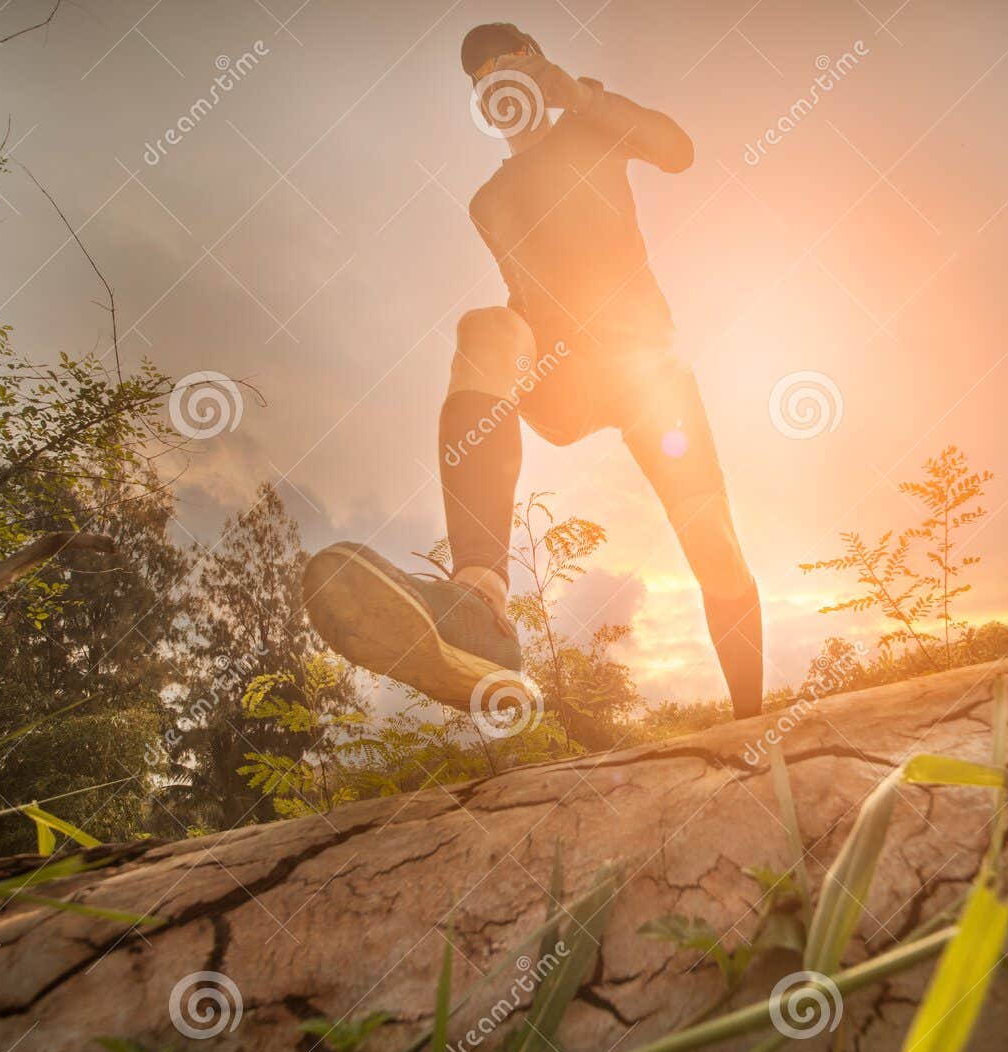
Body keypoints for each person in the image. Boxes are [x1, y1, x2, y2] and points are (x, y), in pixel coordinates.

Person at [305, 22, 762, 720]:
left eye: (509, 57)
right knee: (485, 328)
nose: (496, 74)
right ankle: (478, 603)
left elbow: (679, 151)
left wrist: (578, 95)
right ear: (481, 100)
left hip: (647, 368)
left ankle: (753, 723)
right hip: (561, 372)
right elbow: (532, 283)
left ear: (536, 61)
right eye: (480, 73)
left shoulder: (592, 128)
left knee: (716, 547)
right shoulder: (487, 200)